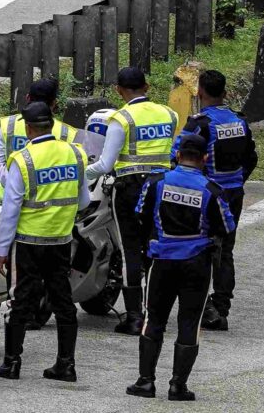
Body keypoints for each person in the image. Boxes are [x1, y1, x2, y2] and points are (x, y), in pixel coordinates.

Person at [126, 133, 234, 401]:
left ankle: (145, 382)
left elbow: (139, 214)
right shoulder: (212, 190)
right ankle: (178, 386)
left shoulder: (157, 182)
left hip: (161, 261)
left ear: (177, 155)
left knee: (154, 319)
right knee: (189, 322)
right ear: (205, 159)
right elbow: (226, 227)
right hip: (196, 264)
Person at [0, 102, 88, 383]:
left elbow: (10, 209)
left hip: (28, 242)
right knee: (63, 300)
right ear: (51, 124)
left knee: (22, 300)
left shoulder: (23, 159)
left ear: (28, 127)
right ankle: (66, 364)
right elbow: (83, 200)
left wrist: (2, 249)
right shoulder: (75, 153)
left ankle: (12, 363)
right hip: (60, 240)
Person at [91, 66, 178, 335]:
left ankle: (134, 317)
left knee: (130, 250)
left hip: (130, 187)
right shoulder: (169, 114)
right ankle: (155, 313)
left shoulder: (121, 118)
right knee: (156, 246)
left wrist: (79, 171)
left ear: (119, 90)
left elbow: (105, 164)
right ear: (147, 86)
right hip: (162, 186)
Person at [179, 69, 256, 329]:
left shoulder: (200, 124)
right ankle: (220, 307)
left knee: (199, 249)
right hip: (233, 193)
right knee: (225, 251)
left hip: (208, 195)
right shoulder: (239, 121)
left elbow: (177, 156)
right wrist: (237, 181)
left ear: (199, 92)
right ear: (224, 93)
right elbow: (251, 158)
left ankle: (200, 307)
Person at [0, 76, 60, 185]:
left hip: (11, 198)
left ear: (27, 98)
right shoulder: (65, 131)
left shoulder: (9, 125)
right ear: (54, 103)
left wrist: (16, 187)